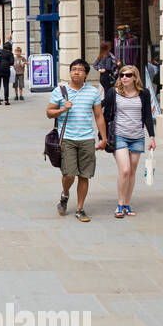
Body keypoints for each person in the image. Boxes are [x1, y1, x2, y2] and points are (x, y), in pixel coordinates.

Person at [47, 59, 107, 223]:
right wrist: (62, 109)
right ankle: (65, 194)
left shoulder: (93, 92)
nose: (76, 72)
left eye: (80, 70)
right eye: (73, 69)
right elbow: (49, 112)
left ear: (86, 74)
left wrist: (103, 138)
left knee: (84, 175)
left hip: (87, 139)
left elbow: (99, 116)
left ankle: (80, 208)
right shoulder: (60, 91)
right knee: (69, 174)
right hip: (67, 139)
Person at [104, 64, 157, 218]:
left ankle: (127, 203)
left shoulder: (143, 93)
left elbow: (147, 115)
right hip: (119, 135)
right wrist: (103, 137)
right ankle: (120, 205)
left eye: (128, 75)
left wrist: (152, 137)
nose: (124, 78)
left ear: (135, 77)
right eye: (121, 75)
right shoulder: (113, 93)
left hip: (137, 137)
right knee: (125, 170)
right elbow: (107, 116)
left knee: (132, 172)